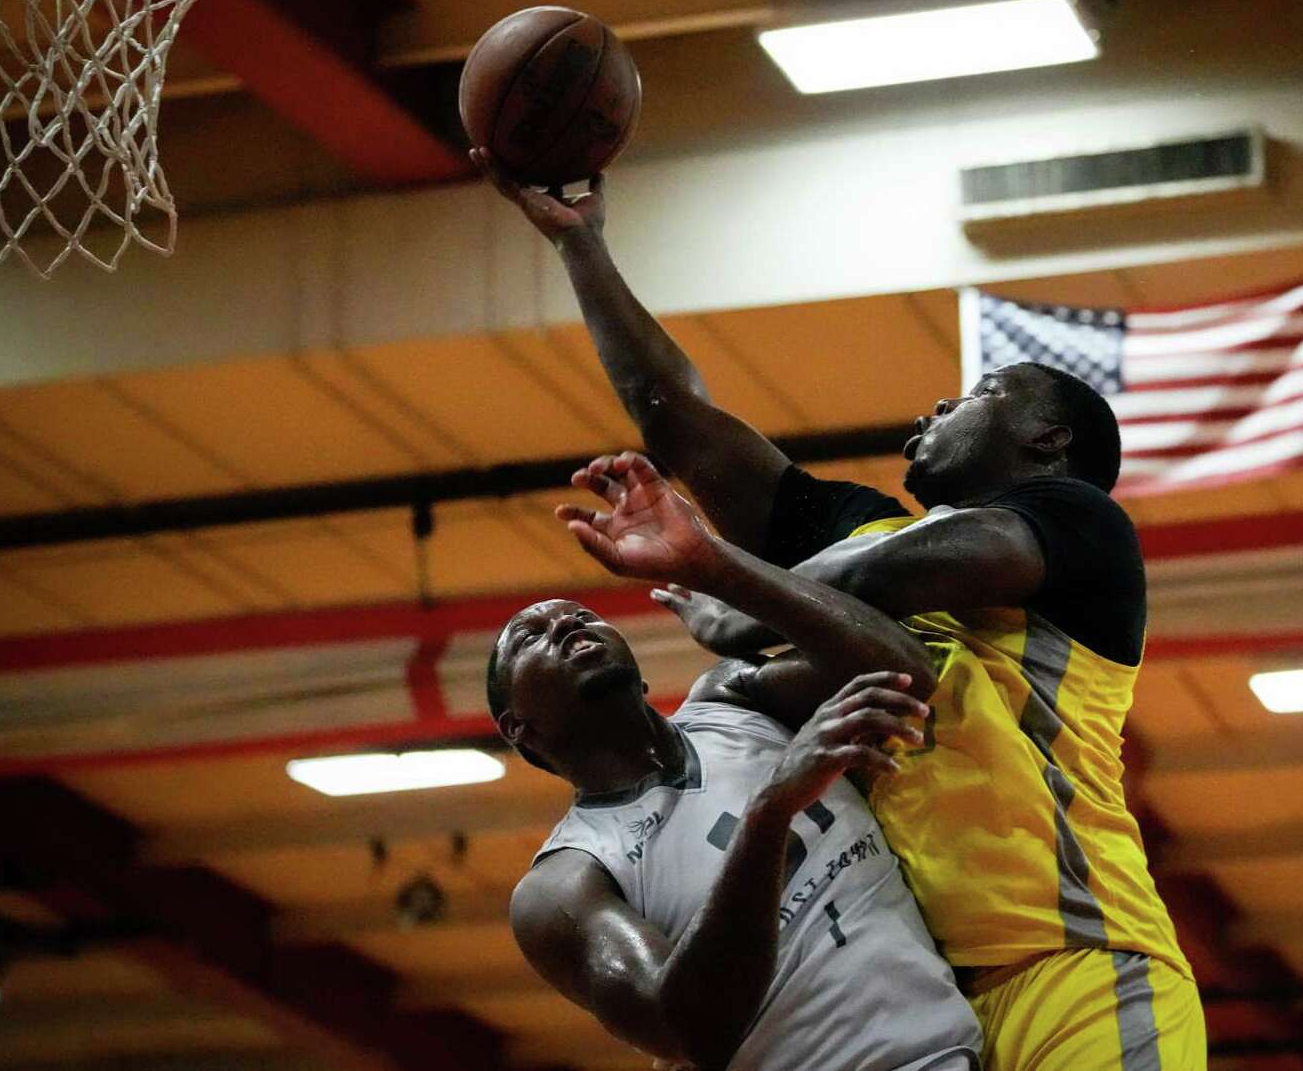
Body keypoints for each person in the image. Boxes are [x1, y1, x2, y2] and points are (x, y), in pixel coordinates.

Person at [479, 156, 1205, 1071]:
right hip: (954, 1006)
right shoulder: (856, 538)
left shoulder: (1078, 527)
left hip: (1084, 962)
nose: (936, 407)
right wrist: (582, 247)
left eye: (975, 397)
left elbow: (890, 578)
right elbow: (682, 421)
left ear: (1045, 440)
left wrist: (732, 588)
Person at [495, 452, 981, 1071]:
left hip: (953, 1053)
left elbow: (906, 672)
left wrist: (716, 569)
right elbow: (685, 1028)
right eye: (530, 637)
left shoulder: (731, 697)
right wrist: (772, 808)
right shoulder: (562, 885)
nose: (564, 622)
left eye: (580, 614)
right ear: (520, 730)